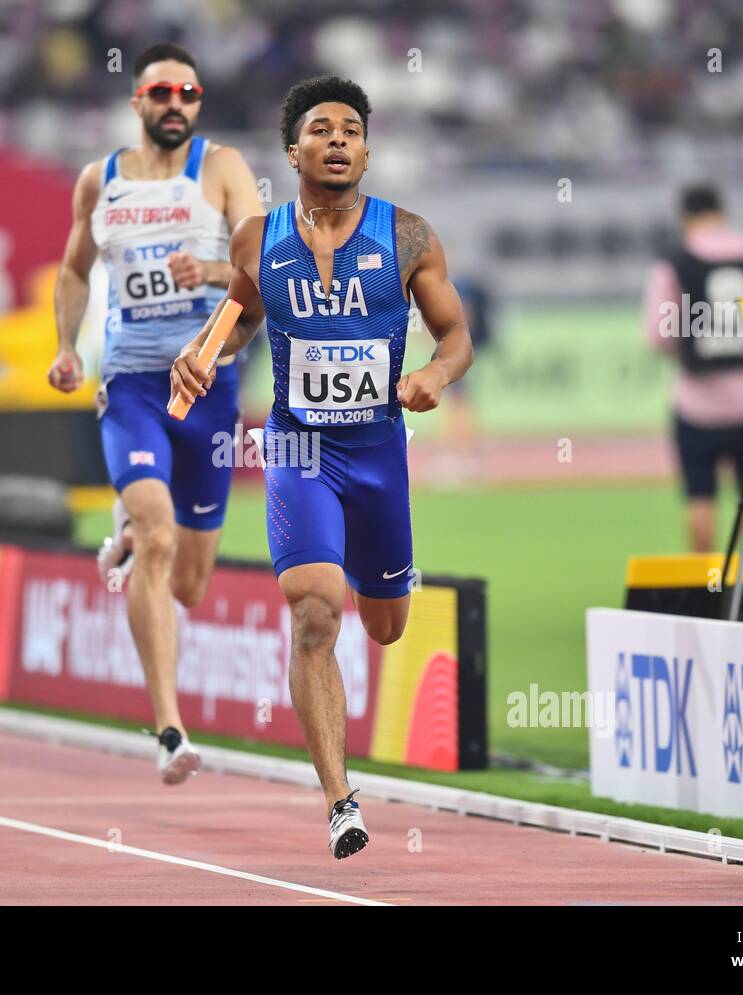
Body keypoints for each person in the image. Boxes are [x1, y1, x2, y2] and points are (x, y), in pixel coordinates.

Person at [171, 76, 473, 858]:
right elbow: (234, 322)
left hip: (378, 453)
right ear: (293, 148)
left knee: (383, 625)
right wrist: (199, 358)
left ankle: (391, 578)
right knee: (312, 611)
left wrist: (432, 378)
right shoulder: (257, 239)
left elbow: (455, 338)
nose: (337, 139)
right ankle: (341, 799)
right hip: (301, 449)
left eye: (350, 129)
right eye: (320, 129)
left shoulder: (409, 237)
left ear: (367, 150)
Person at [48, 43, 264, 784]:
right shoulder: (99, 181)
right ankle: (171, 728)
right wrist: (67, 347)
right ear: (138, 103)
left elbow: (267, 262)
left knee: (192, 583)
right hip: (133, 386)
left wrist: (208, 270)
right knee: (156, 530)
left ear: (197, 104)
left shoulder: (223, 168)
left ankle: (140, 541)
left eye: (188, 92)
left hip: (209, 387)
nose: (175, 103)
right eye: (161, 91)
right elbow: (75, 269)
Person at [643, 183, 743, 553]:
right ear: (722, 212)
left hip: (696, 404)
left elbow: (658, 335)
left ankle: (706, 588)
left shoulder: (676, 261)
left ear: (685, 217)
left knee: (700, 497)